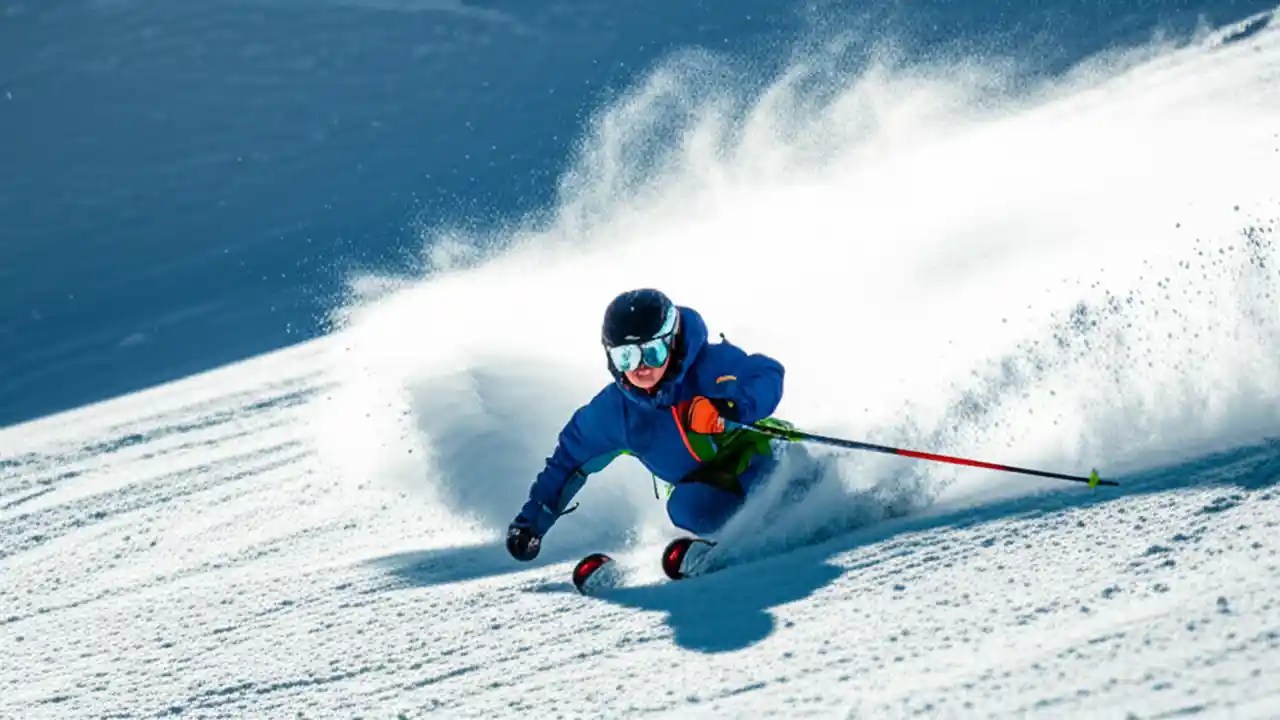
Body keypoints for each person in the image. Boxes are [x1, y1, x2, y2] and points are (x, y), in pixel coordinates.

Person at [506, 288, 788, 571]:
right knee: (686, 507)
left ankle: (801, 502)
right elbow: (567, 461)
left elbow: (766, 372)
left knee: (758, 477)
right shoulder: (616, 413)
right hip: (707, 488)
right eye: (625, 357)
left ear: (673, 343)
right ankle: (733, 545)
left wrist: (729, 406)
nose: (640, 367)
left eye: (652, 353)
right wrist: (532, 524)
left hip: (759, 454)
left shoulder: (708, 366)